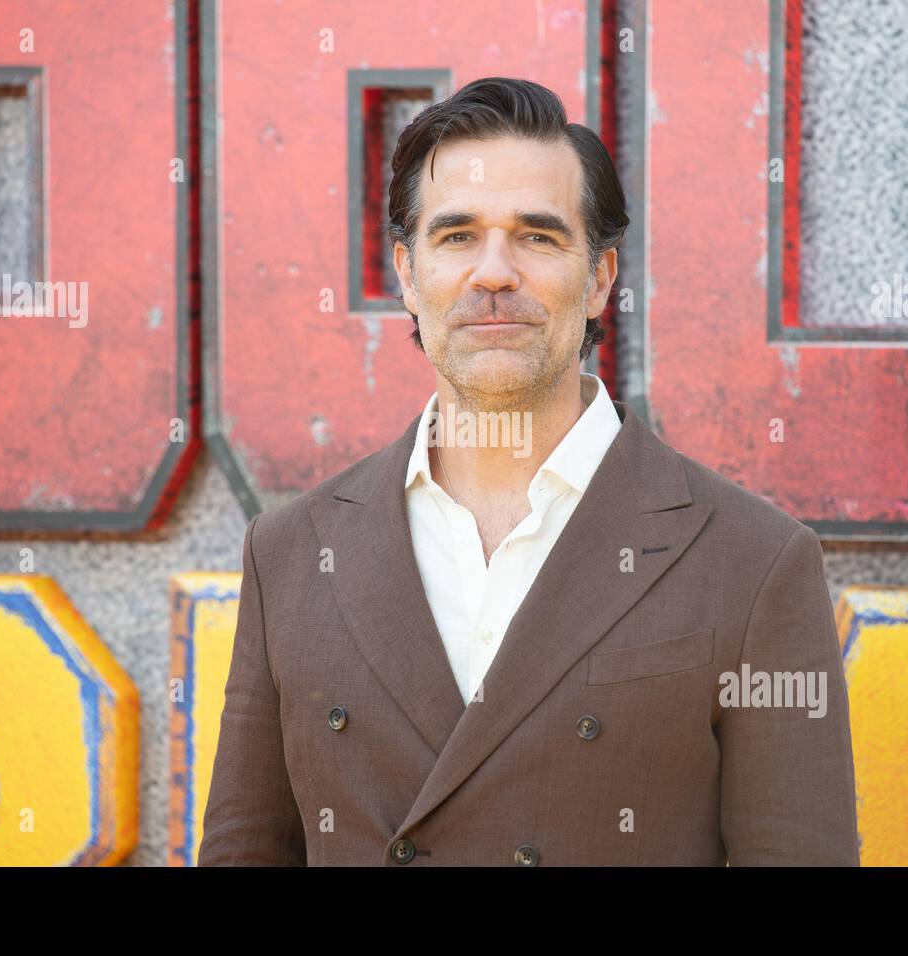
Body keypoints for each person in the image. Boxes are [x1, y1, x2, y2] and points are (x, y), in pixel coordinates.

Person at [199, 76, 859, 866]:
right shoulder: (290, 554)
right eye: (457, 237)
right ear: (409, 275)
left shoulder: (754, 561)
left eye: (538, 237)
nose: (494, 273)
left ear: (601, 280)